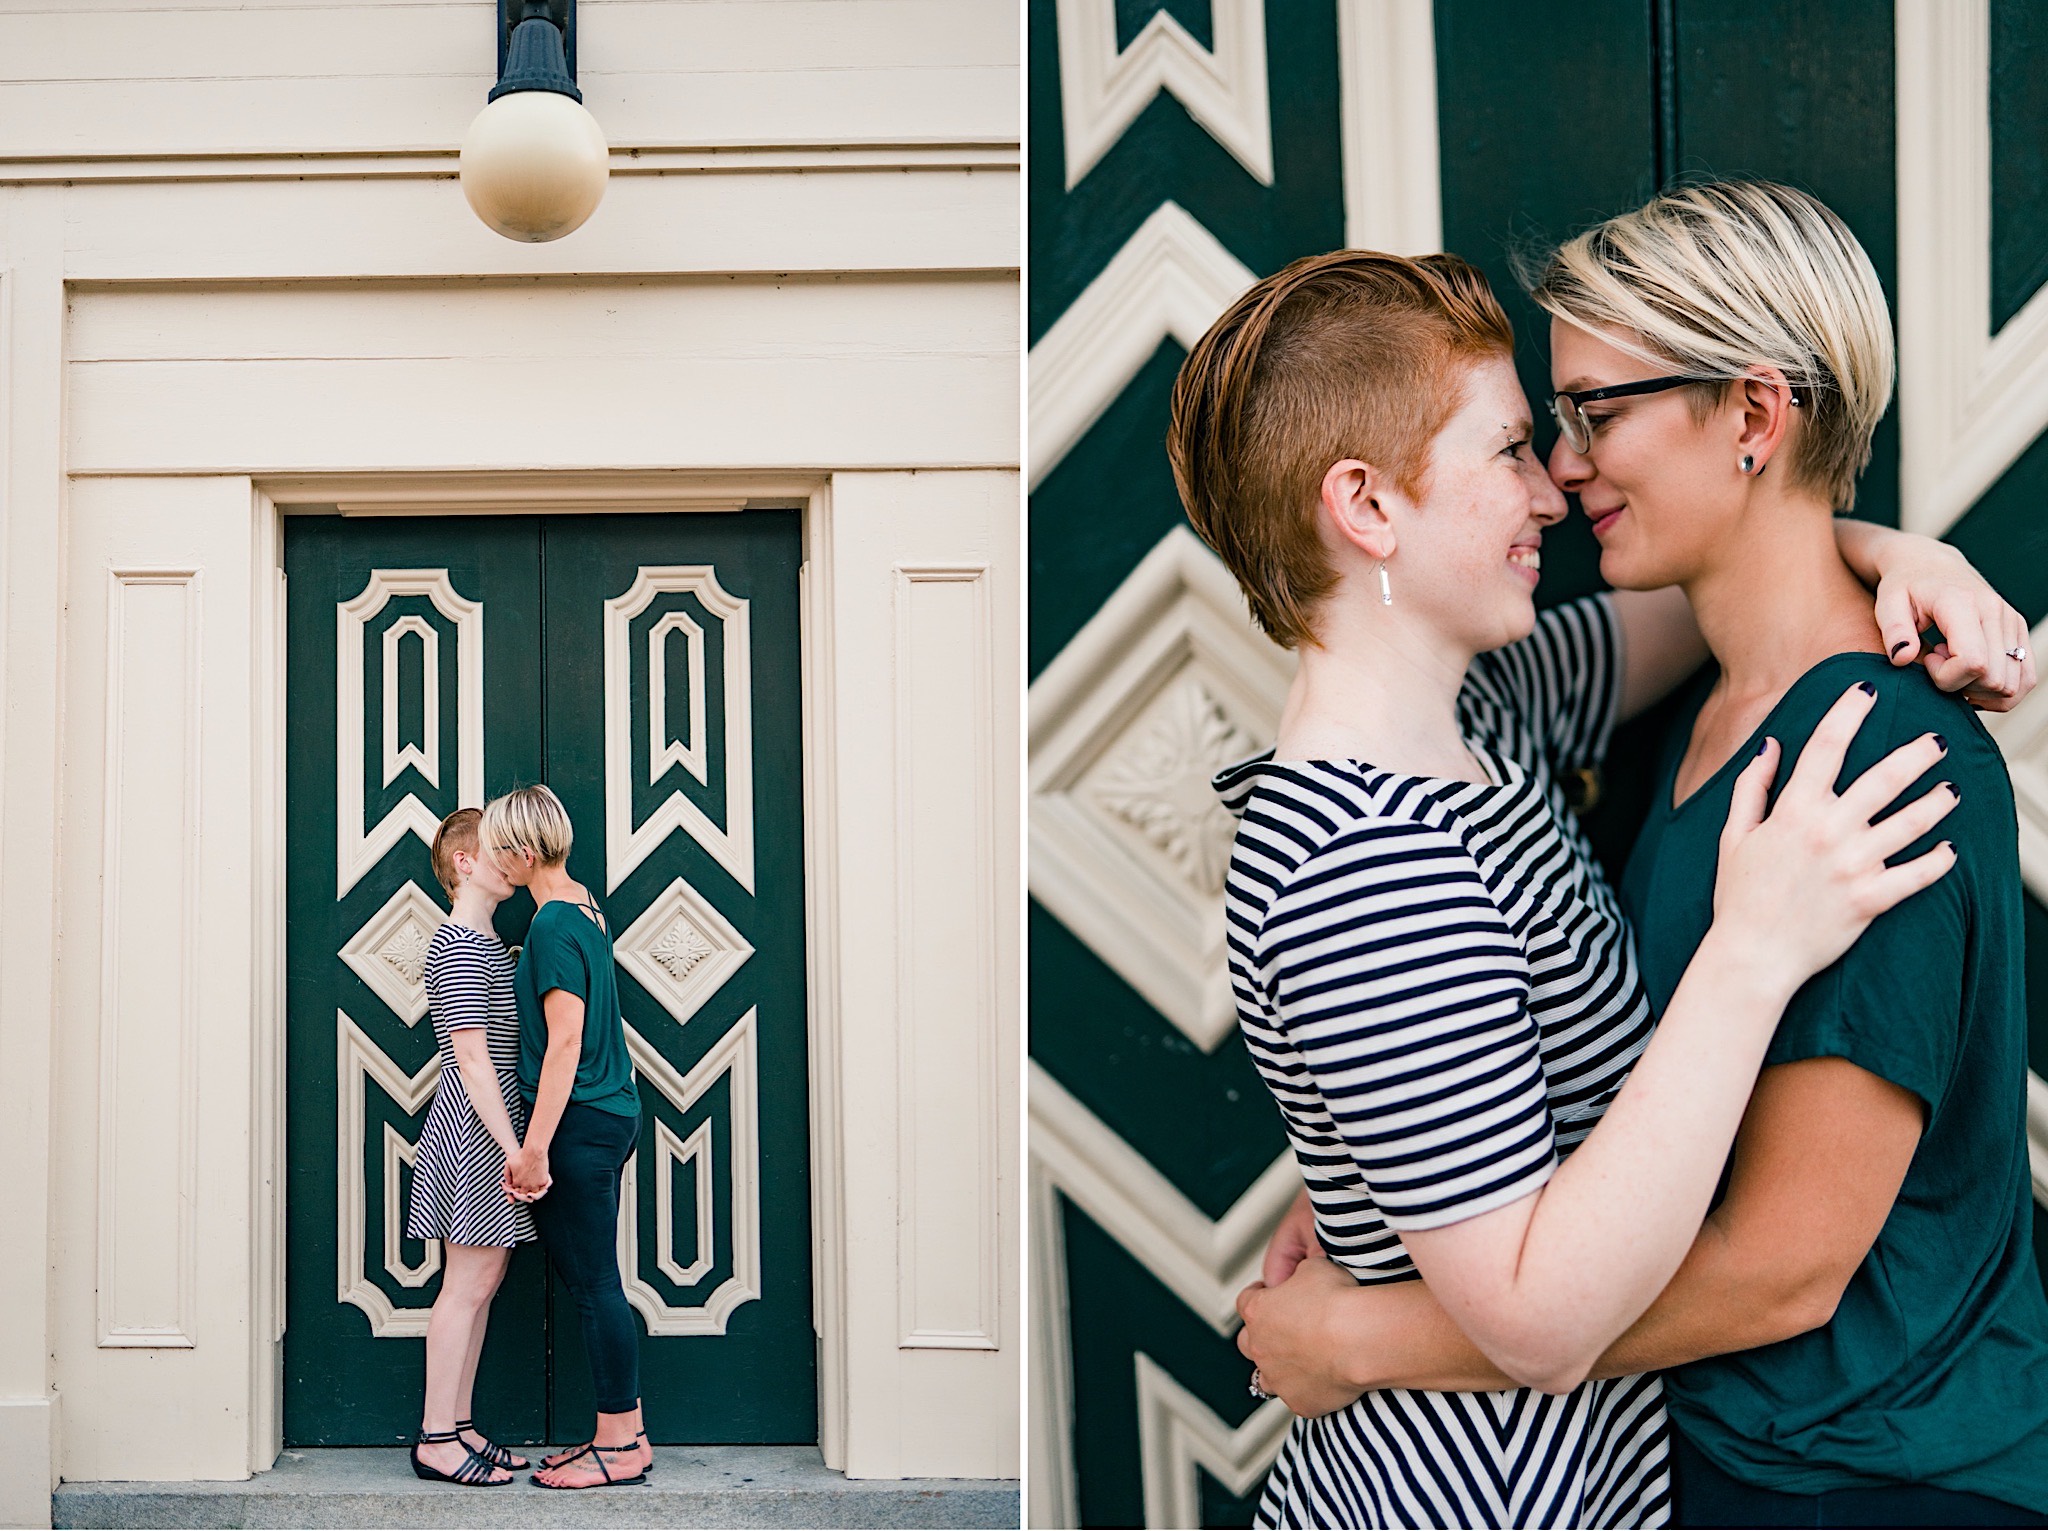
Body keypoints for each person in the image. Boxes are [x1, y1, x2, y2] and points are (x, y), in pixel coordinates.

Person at [1169, 239, 2026, 1529]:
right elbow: (1535, 1319)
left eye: (1578, 424)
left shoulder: (1489, 709)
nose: (1554, 485)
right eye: (1511, 447)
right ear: (1366, 506)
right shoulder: (1365, 864)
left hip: (1693, 1467)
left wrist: (1904, 554)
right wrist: (1749, 950)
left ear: (1750, 414)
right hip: (1480, 1499)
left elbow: (1734, 583)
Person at [483, 783, 653, 1490]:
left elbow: (565, 1041)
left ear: (523, 851)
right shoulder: (585, 903)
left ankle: (618, 1444)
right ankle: (626, 1432)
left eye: (498, 848)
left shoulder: (554, 921)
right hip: (612, 1110)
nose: (494, 860)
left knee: (594, 1285)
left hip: (576, 1119)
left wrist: (532, 1148)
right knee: (596, 1281)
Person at [406, 807, 541, 1487]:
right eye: (499, 846)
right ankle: (436, 1437)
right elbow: (471, 1059)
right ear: (465, 862)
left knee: (483, 1280)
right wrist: (515, 1147)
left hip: (488, 1128)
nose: (516, 853)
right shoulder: (459, 944)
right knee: (466, 1283)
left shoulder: (486, 943)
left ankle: (459, 1426)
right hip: (475, 1130)